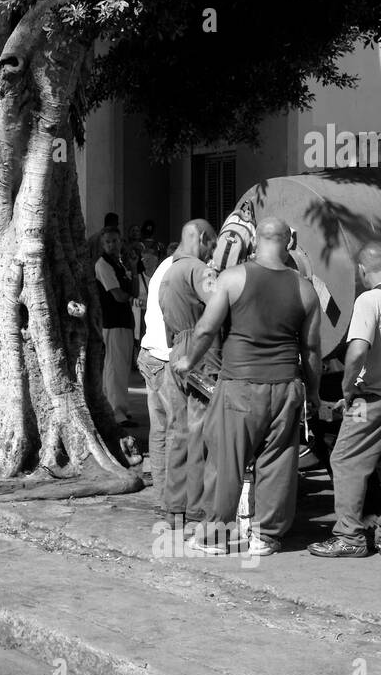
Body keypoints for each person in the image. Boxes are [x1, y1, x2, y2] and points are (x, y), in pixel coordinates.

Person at [173, 218, 322, 556]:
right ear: (291, 242)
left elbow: (206, 329)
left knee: (225, 460)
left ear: (254, 239)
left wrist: (188, 361)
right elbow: (311, 350)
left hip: (239, 384)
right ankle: (266, 537)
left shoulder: (233, 277)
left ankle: (214, 537)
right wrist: (311, 393)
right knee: (280, 461)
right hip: (285, 386)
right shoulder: (305, 288)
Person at [309, 242, 381, 559]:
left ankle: (350, 537)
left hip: (368, 399)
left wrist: (348, 391)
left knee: (344, 460)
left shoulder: (369, 300)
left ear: (362, 270)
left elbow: (358, 350)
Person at [158, 220, 218, 530]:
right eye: (213, 244)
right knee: (201, 432)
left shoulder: (168, 274)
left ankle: (174, 510)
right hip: (200, 351)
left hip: (175, 353)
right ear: (204, 239)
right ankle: (198, 511)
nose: (213, 252)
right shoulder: (199, 270)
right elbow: (219, 304)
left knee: (177, 432)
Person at [137, 245, 178, 495]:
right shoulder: (179, 270)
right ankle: (171, 498)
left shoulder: (166, 267)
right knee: (174, 430)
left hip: (152, 355)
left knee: (161, 429)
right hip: (164, 358)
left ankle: (164, 496)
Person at [95, 228, 136, 427]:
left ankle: (121, 408)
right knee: (114, 367)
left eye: (115, 241)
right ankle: (115, 411)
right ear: (103, 245)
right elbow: (118, 295)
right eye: (108, 242)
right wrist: (132, 297)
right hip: (113, 322)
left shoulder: (119, 263)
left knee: (122, 367)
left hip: (124, 321)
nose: (112, 245)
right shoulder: (103, 264)